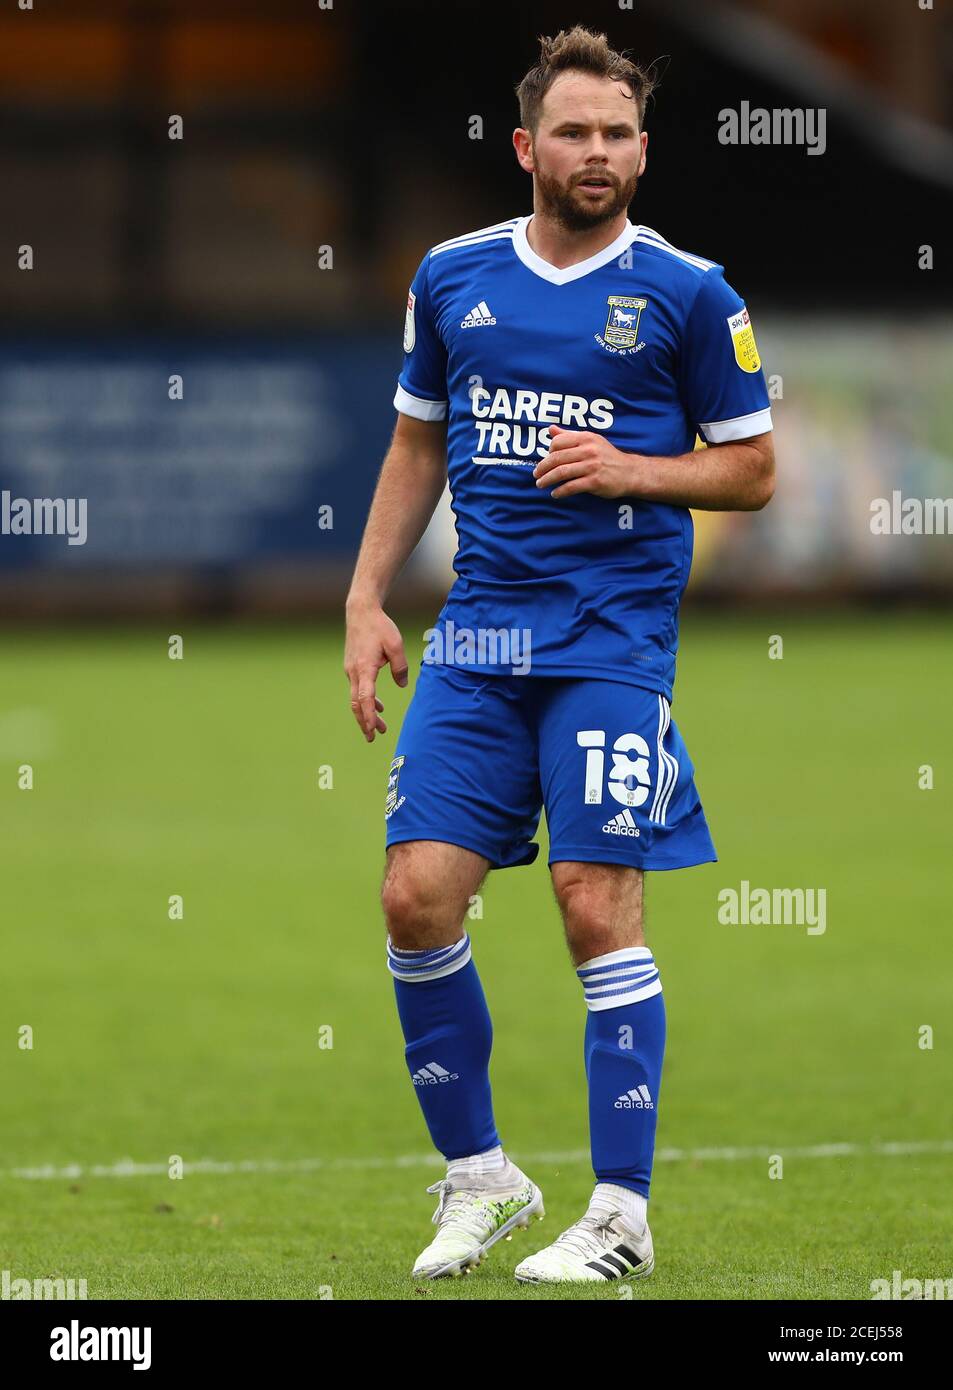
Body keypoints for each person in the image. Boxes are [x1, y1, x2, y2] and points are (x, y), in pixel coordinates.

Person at [344, 24, 774, 1284]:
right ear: (528, 145)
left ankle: (620, 1214)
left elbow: (750, 468)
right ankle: (481, 1177)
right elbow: (416, 444)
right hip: (475, 641)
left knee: (592, 902)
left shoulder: (691, 295)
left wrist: (633, 467)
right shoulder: (451, 277)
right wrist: (370, 598)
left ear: (643, 150)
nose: (598, 153)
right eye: (575, 132)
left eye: (619, 133)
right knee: (413, 895)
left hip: (609, 645)